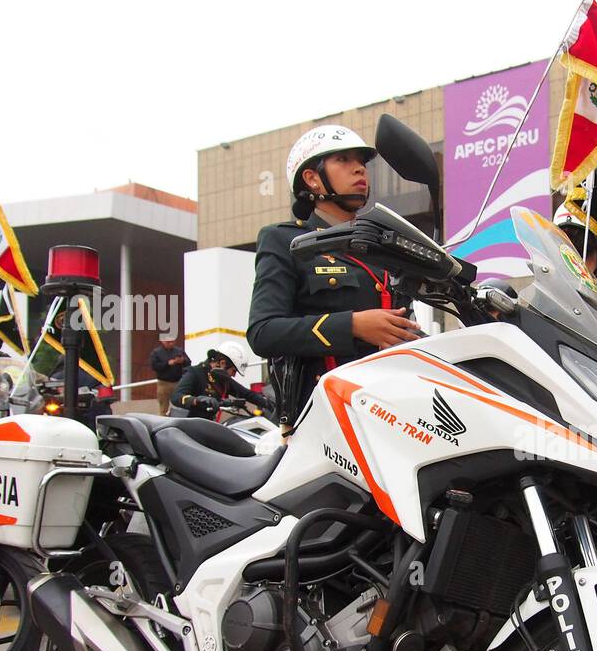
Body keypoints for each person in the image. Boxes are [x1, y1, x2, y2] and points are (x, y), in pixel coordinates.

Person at [247, 124, 419, 429]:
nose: (359, 171)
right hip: (321, 423)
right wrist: (353, 326)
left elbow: (407, 329)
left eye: (362, 164)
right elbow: (263, 332)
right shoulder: (284, 240)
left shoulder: (384, 247)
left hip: (392, 416)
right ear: (312, 179)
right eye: (343, 161)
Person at [172, 343, 267, 421]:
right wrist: (197, 400)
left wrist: (270, 403)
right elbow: (176, 397)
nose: (234, 375)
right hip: (189, 426)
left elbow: (246, 393)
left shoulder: (222, 380)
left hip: (208, 426)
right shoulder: (195, 373)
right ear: (222, 363)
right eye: (233, 370)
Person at [149, 332, 189, 415]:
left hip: (178, 382)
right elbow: (154, 366)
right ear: (162, 341)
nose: (171, 344)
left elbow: (188, 362)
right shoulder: (156, 352)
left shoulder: (179, 350)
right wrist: (167, 364)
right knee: (163, 406)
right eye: (168, 342)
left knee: (181, 405)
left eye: (172, 341)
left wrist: (182, 361)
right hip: (164, 383)